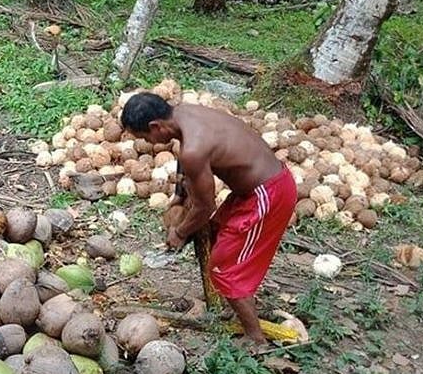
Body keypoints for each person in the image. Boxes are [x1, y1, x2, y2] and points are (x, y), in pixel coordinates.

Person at [120, 92, 296, 345]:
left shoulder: (194, 149)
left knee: (225, 267)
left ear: (155, 126)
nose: (150, 142)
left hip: (268, 195)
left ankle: (254, 338)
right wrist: (179, 197)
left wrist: (179, 233)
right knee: (215, 233)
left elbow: (205, 207)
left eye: (146, 137)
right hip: (254, 190)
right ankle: (234, 302)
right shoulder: (183, 114)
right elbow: (184, 156)